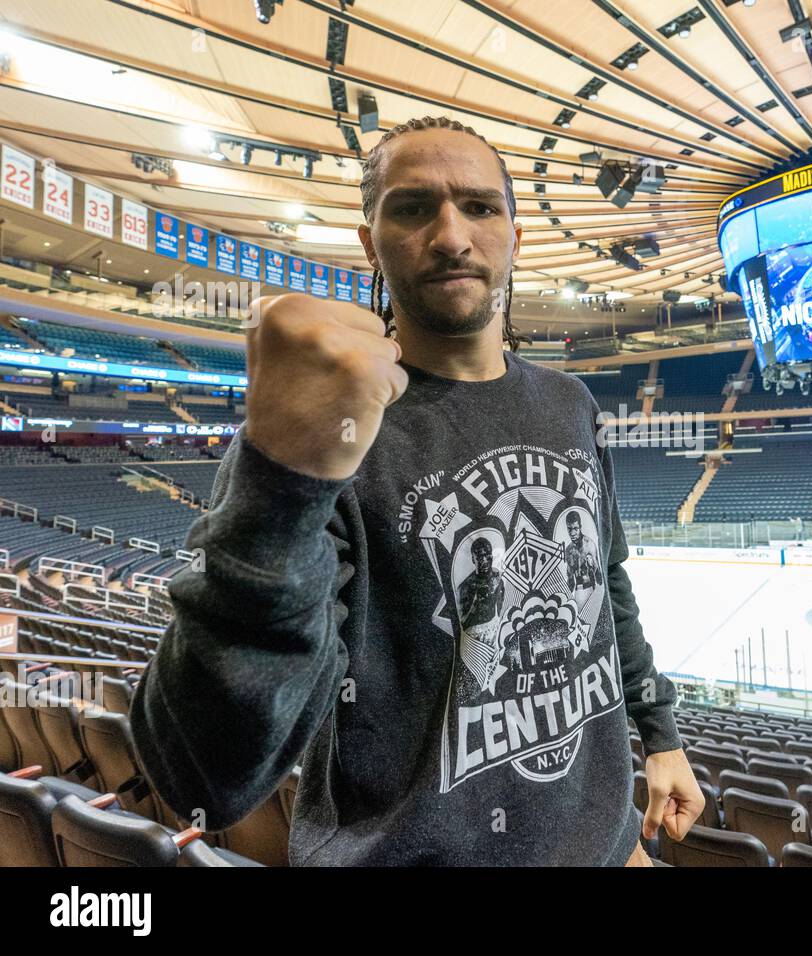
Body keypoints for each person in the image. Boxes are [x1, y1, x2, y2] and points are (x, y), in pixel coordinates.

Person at [130, 115, 703, 866]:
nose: (452, 236)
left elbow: (606, 585)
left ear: (514, 233)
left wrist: (659, 735)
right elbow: (204, 774)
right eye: (412, 207)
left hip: (606, 848)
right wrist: (281, 478)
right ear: (369, 241)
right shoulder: (328, 435)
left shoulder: (572, 404)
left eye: (479, 206)